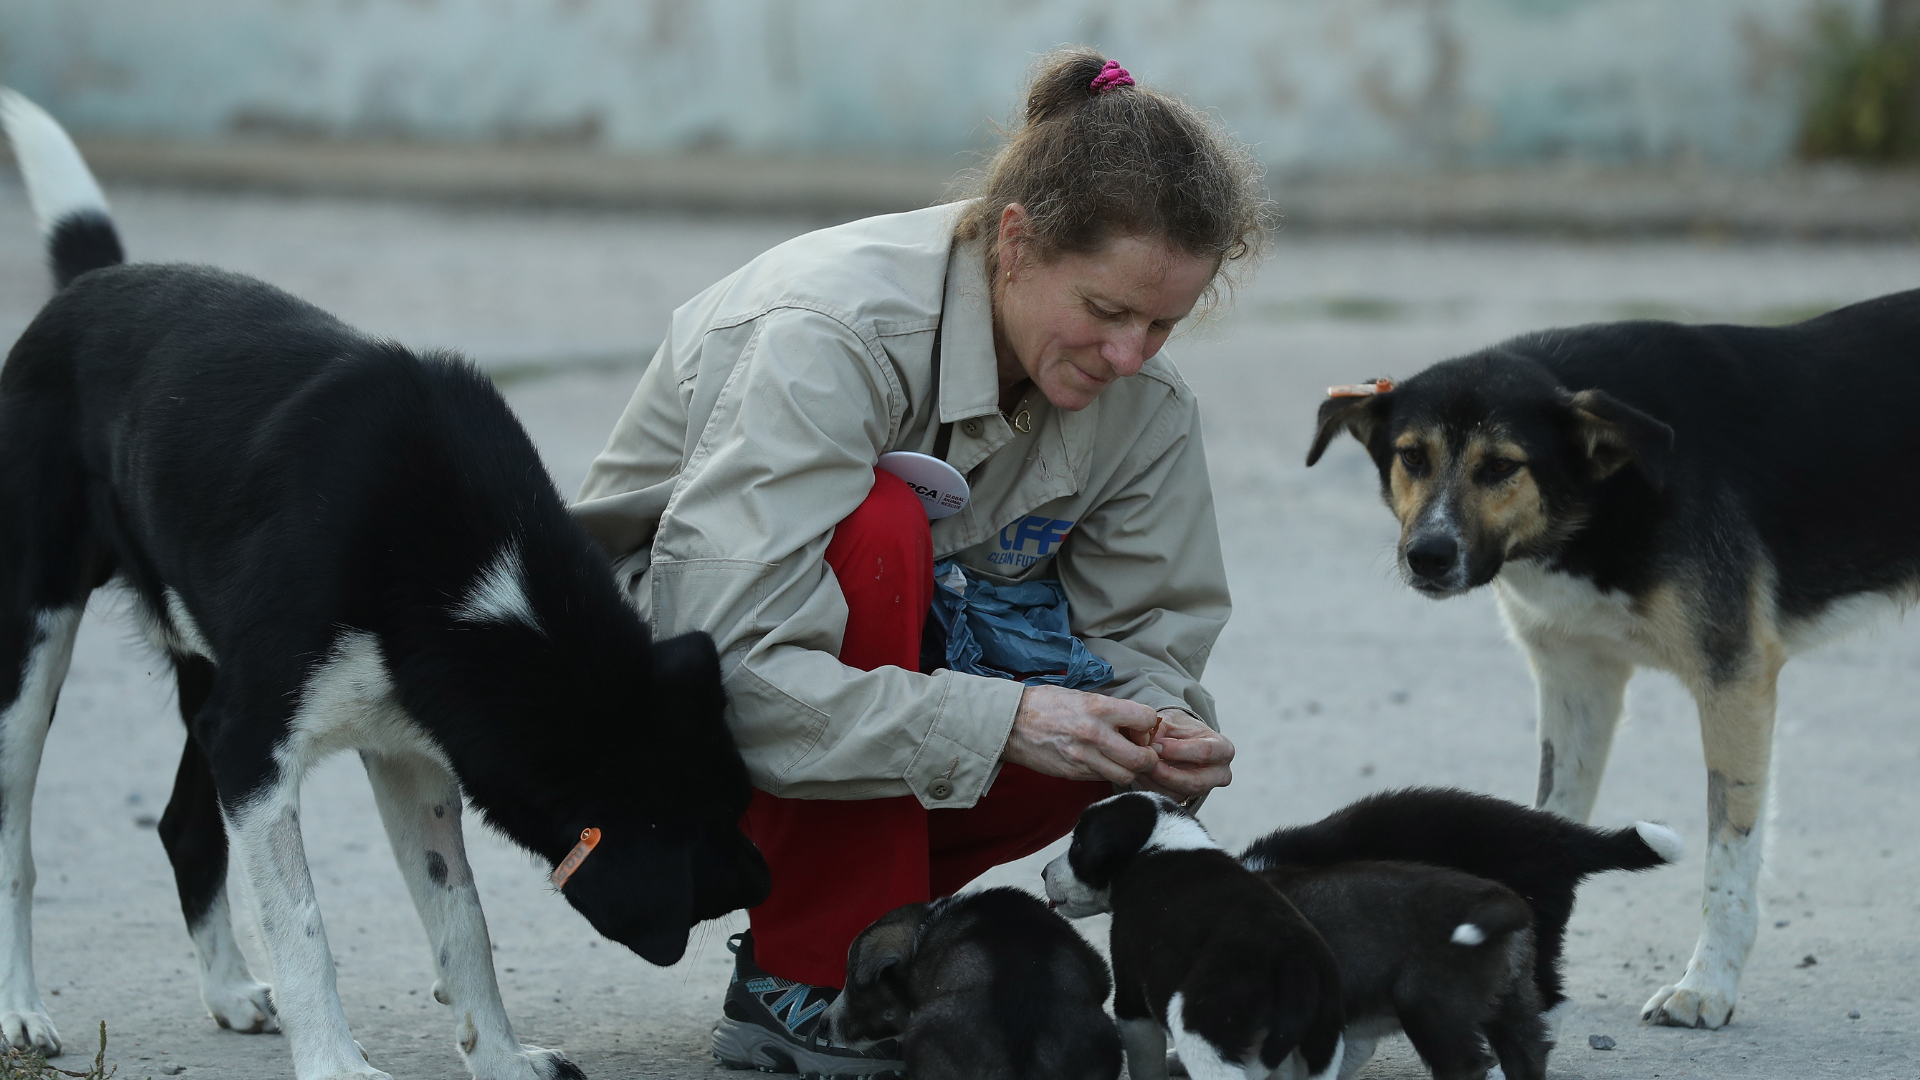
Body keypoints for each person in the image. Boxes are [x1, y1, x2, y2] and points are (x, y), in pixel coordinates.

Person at [570, 48, 1269, 1075]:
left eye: (1162, 323)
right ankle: (808, 978)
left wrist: (1162, 731)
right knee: (881, 526)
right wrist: (1009, 718)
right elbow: (740, 672)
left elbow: (1145, 639)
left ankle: (873, 945)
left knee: (1107, 736)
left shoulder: (1146, 408)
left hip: (841, 719)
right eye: (1107, 311)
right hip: (657, 732)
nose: (1131, 356)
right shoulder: (827, 334)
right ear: (1016, 243)